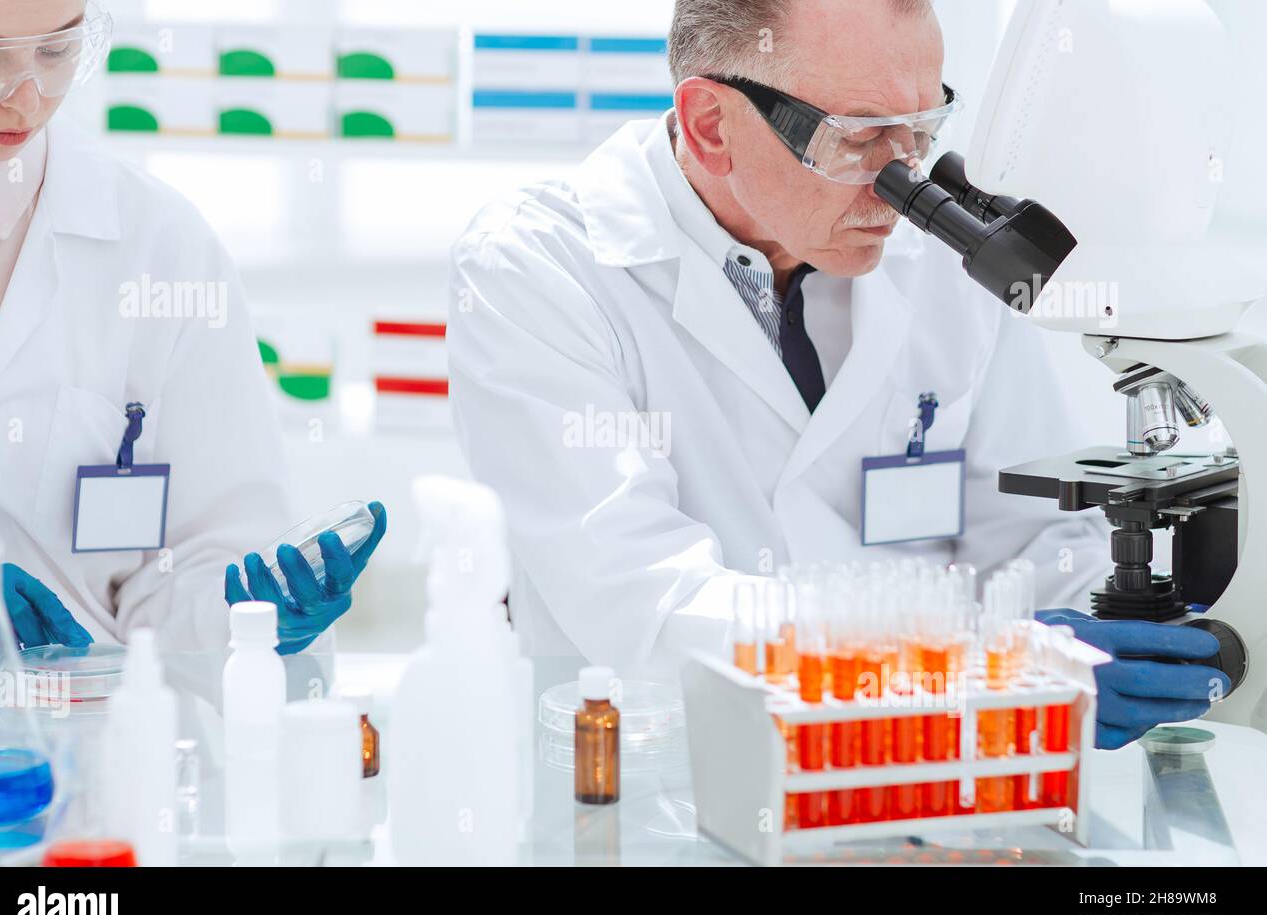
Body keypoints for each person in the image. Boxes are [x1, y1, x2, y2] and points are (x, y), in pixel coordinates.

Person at [447, 0, 1226, 746]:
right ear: (711, 126)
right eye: (858, 138)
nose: (902, 187)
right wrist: (972, 671)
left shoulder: (941, 261)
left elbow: (1032, 538)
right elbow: (646, 609)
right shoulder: (539, 270)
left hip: (930, 789)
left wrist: (1116, 634)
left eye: (920, 129)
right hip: (662, 791)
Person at [0, 0, 384, 655]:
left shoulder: (158, 247)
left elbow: (189, 564)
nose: (25, 97)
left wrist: (244, 618)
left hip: (70, 735)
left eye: (55, 51)